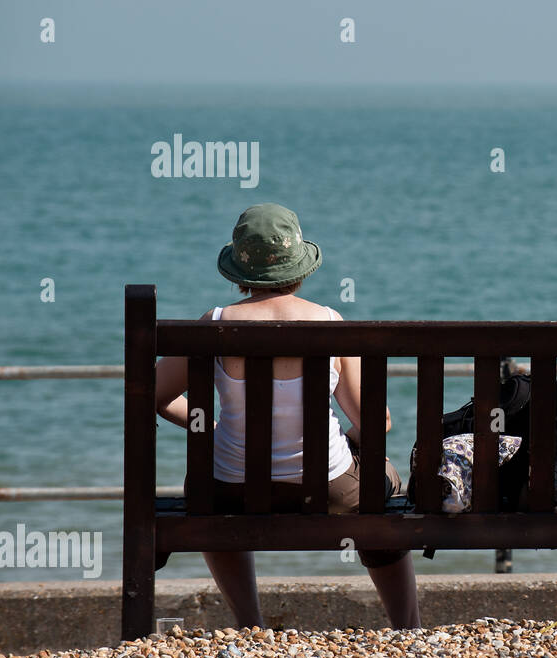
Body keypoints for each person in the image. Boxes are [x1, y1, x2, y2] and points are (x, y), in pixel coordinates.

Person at [152, 203, 420, 630]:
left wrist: (213, 428)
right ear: (300, 265)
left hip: (230, 493)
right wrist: (350, 442)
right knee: (378, 483)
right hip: (329, 491)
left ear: (240, 268)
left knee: (211, 491)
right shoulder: (330, 323)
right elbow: (376, 422)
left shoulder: (215, 323)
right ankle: (406, 625)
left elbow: (152, 393)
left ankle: (249, 621)